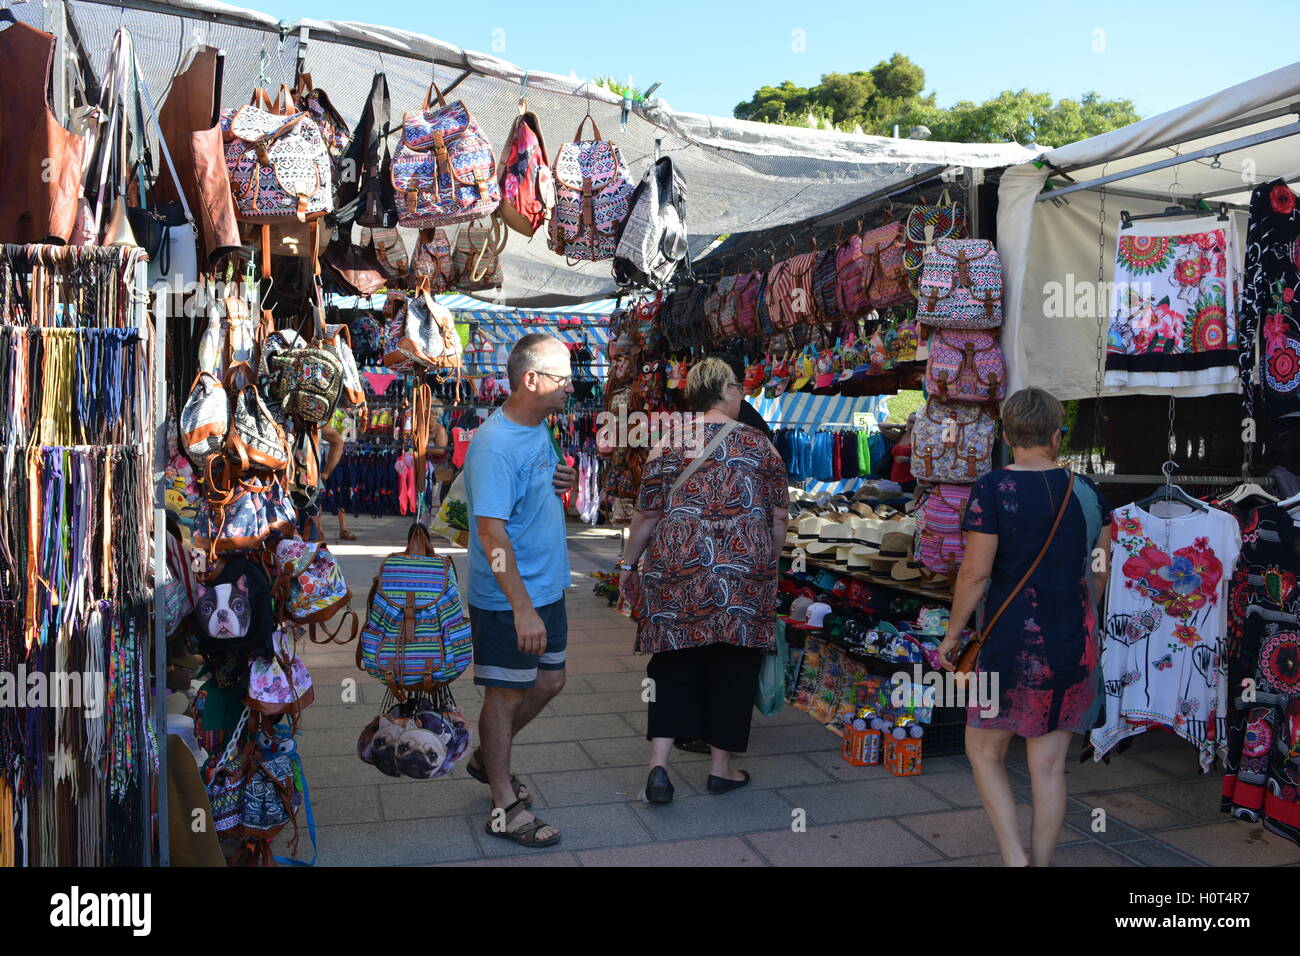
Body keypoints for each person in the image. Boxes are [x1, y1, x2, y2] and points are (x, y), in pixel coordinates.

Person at [937, 387, 1111, 867]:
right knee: (1049, 767)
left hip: (1006, 643)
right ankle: (1042, 861)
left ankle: (1015, 858)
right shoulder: (1090, 491)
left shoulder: (992, 488)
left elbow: (974, 573)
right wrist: (1076, 614)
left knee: (984, 750)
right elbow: (1099, 569)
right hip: (1074, 643)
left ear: (1007, 434)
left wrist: (953, 635)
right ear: (1057, 435)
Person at [618, 357, 790, 804]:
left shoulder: (667, 444)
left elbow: (647, 514)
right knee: (733, 665)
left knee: (672, 664)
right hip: (742, 572)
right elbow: (778, 516)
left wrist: (627, 566)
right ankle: (721, 768)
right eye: (739, 388)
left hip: (677, 567)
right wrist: (766, 562)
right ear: (728, 390)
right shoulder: (760, 445)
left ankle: (659, 767)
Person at [462, 333, 577, 848]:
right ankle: (503, 801)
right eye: (563, 377)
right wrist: (522, 608)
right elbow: (490, 533)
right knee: (504, 697)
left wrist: (559, 477)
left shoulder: (537, 427)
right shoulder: (494, 445)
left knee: (550, 682)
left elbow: (531, 490)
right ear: (530, 380)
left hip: (547, 585)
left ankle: (490, 756)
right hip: (512, 598)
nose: (572, 386)